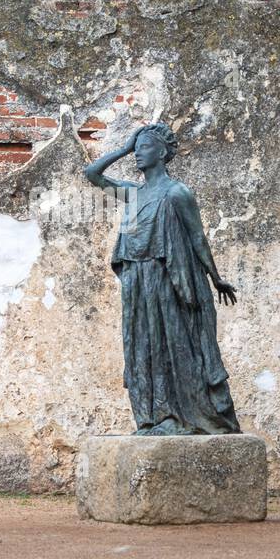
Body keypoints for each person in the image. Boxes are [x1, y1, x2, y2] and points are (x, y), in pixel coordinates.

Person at [83, 122, 241, 435]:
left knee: (173, 343)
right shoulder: (132, 193)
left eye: (144, 147)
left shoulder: (177, 193)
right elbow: (93, 174)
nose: (138, 153)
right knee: (141, 346)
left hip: (167, 278)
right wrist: (126, 146)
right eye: (137, 148)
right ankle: (153, 416)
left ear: (162, 152)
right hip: (137, 280)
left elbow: (197, 239)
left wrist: (216, 278)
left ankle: (181, 415)